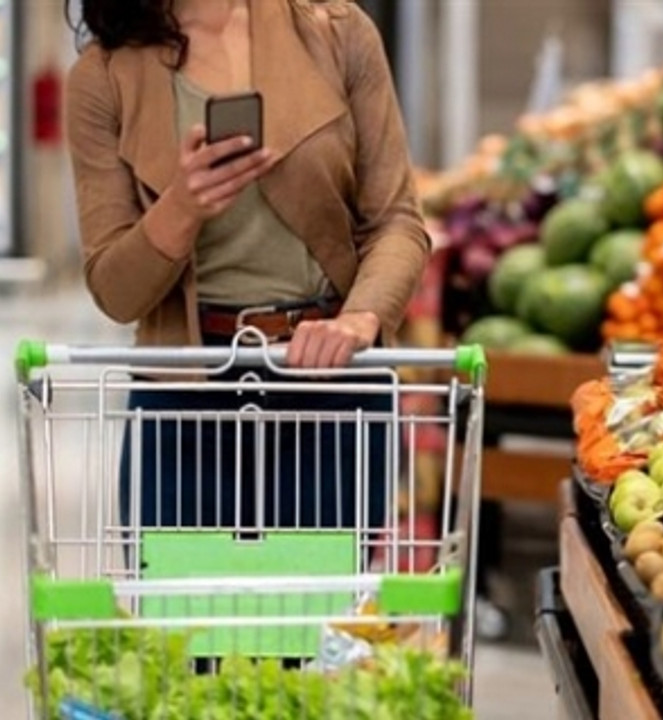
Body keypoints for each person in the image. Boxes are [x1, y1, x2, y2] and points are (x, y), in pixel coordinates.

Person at [64, 0, 429, 567]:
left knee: (314, 634)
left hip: (328, 380)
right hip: (184, 396)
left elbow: (397, 223)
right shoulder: (102, 77)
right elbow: (115, 290)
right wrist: (181, 207)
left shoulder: (336, 32)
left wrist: (360, 318)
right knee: (187, 637)